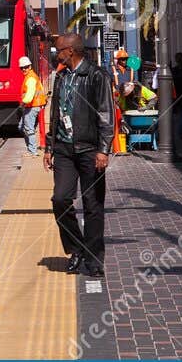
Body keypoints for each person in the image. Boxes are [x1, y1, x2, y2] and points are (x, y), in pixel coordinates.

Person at [45, 34, 117, 277]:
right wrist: (49, 146)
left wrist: (103, 150)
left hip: (89, 150)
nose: (56, 54)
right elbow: (55, 112)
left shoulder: (97, 76)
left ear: (70, 51)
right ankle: (77, 248)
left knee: (93, 206)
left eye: (59, 50)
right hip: (64, 149)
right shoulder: (61, 77)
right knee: (60, 200)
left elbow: (106, 113)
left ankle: (94, 260)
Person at [17, 57, 47, 156]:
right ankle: (31, 149)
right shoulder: (31, 76)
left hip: (32, 106)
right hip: (32, 106)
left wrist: (23, 102)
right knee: (22, 127)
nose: (24, 69)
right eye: (22, 68)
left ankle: (32, 151)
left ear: (30, 66)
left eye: (25, 67)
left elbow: (29, 95)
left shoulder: (30, 78)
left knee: (28, 129)